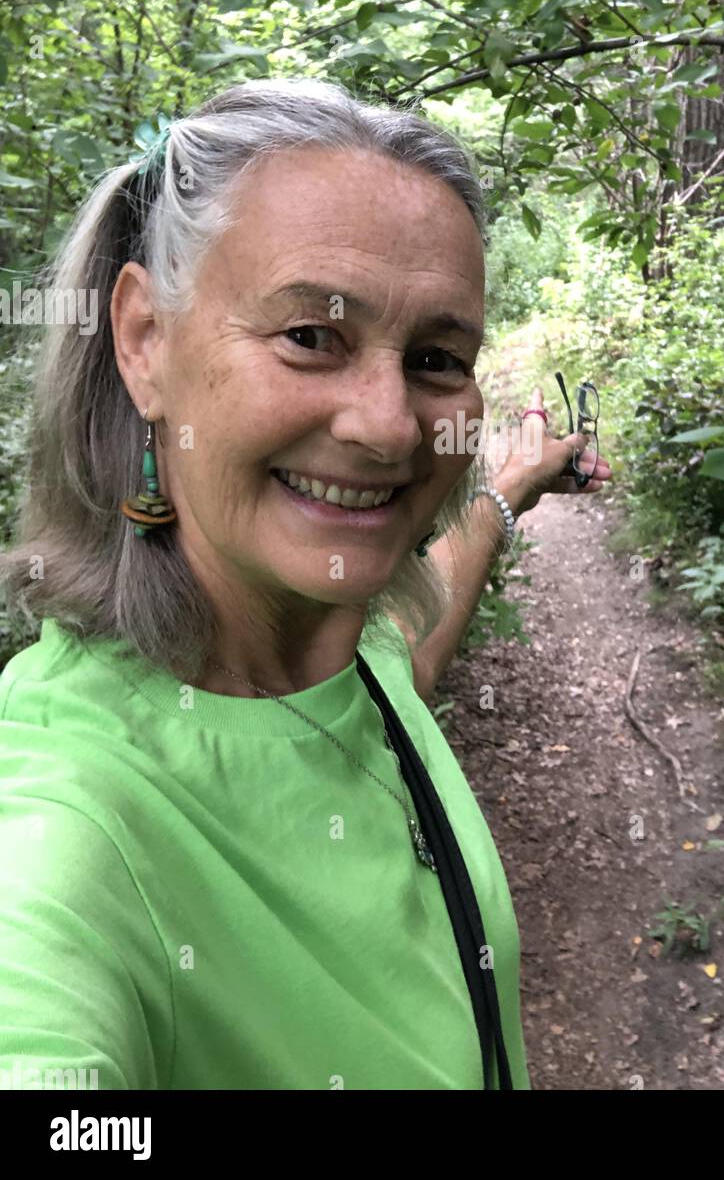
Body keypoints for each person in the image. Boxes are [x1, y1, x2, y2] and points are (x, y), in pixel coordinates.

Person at [0, 77, 610, 1090]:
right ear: (145, 340)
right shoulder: (67, 820)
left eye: (436, 357)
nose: (387, 423)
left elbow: (404, 659)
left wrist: (507, 489)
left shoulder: (337, 644)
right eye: (310, 337)